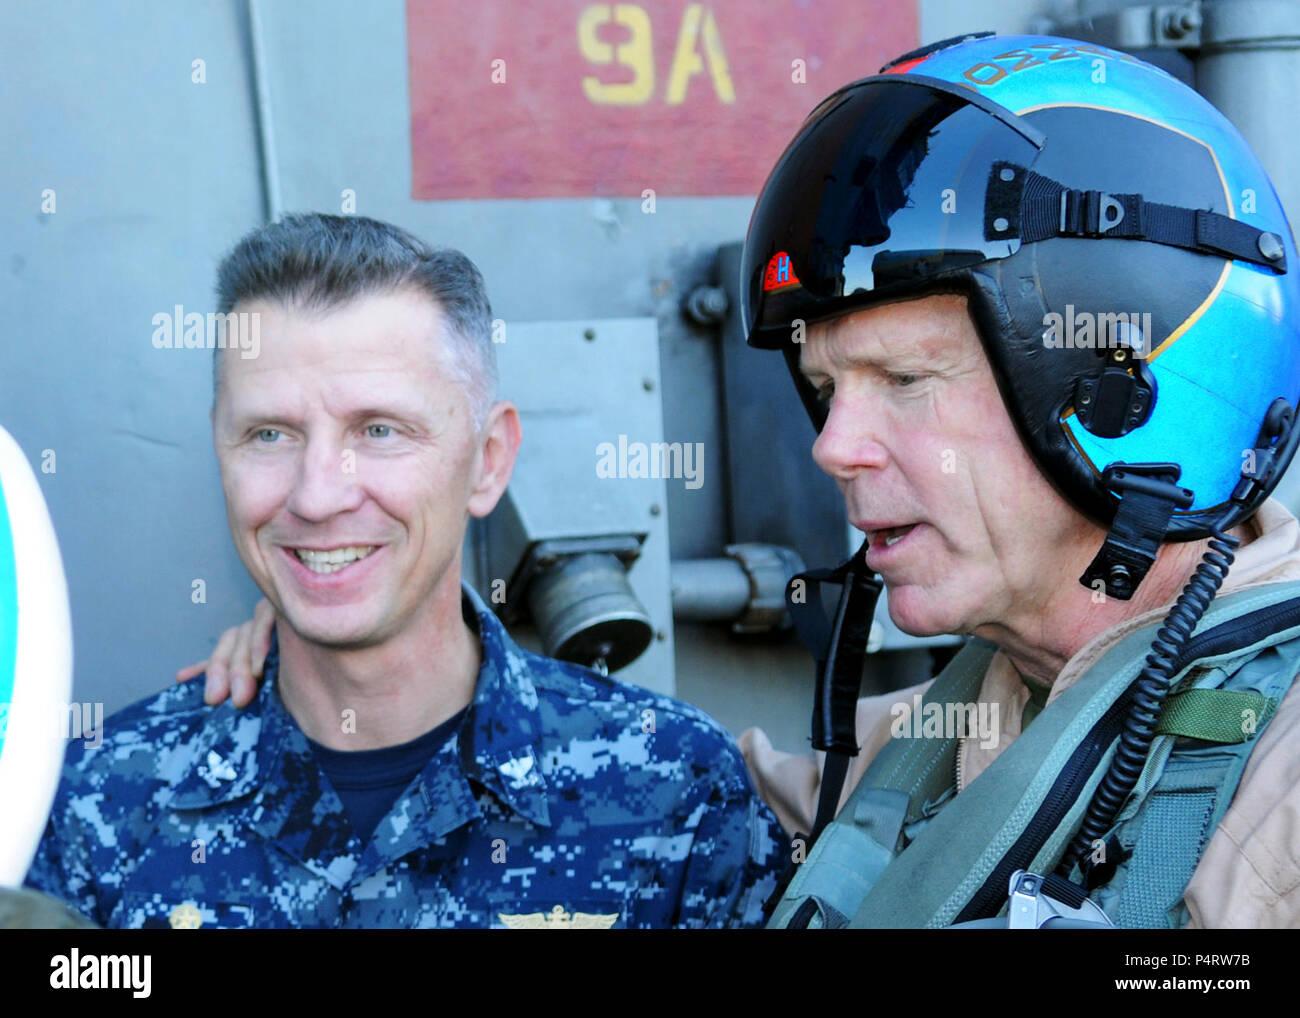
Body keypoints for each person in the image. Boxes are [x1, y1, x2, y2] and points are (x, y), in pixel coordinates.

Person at [181, 34, 1300, 929]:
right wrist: (342, 615)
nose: (833, 445)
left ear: (1128, 386)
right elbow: (633, 796)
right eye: (825, 387)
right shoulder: (912, 745)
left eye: (905, 378)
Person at [23, 213, 784, 929]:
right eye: (268, 434)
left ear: (487, 462)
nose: (319, 494)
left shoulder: (673, 792)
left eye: (379, 430)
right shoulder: (99, 805)